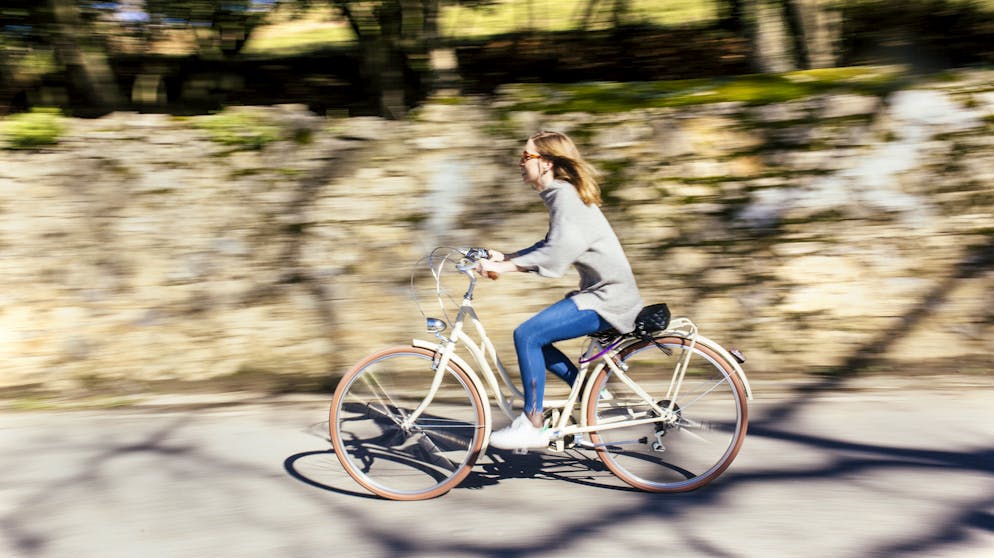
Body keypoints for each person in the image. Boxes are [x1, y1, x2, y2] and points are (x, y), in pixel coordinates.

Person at [475, 130, 644, 450]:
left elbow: (555, 255)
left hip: (609, 299)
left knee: (527, 335)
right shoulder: (561, 194)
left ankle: (533, 422)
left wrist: (504, 268)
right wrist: (507, 257)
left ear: (546, 163)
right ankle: (592, 398)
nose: (520, 162)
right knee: (538, 338)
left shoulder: (564, 195)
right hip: (602, 294)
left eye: (526, 157)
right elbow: (553, 244)